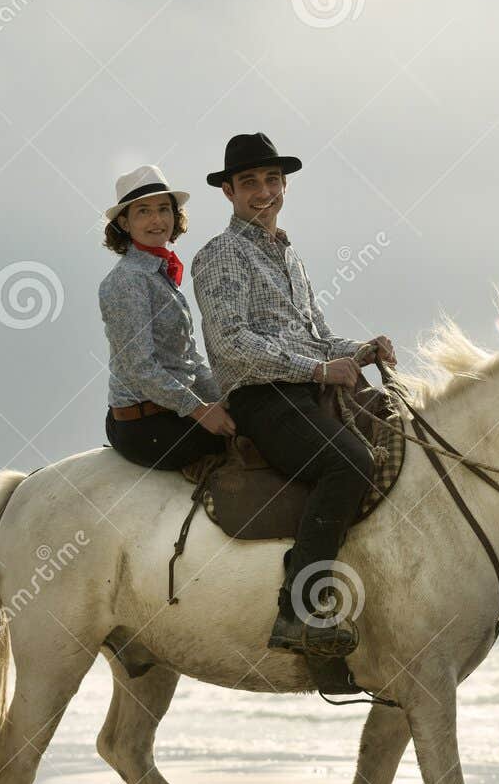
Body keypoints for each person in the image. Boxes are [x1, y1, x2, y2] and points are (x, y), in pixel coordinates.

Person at [191, 133, 397, 657]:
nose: (264, 191)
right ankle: (296, 614)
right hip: (263, 398)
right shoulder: (220, 255)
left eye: (272, 180)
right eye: (250, 182)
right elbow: (232, 345)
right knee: (350, 463)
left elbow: (317, 334)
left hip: (305, 387)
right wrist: (320, 368)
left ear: (284, 185)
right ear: (229, 193)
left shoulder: (289, 253)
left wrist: (362, 348)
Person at [98, 165, 236, 470]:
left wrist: (226, 399)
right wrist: (201, 411)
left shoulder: (160, 275)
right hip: (145, 422)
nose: (157, 220)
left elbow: (188, 359)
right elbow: (140, 367)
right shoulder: (127, 281)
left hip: (174, 409)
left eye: (164, 209)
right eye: (143, 212)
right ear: (124, 222)